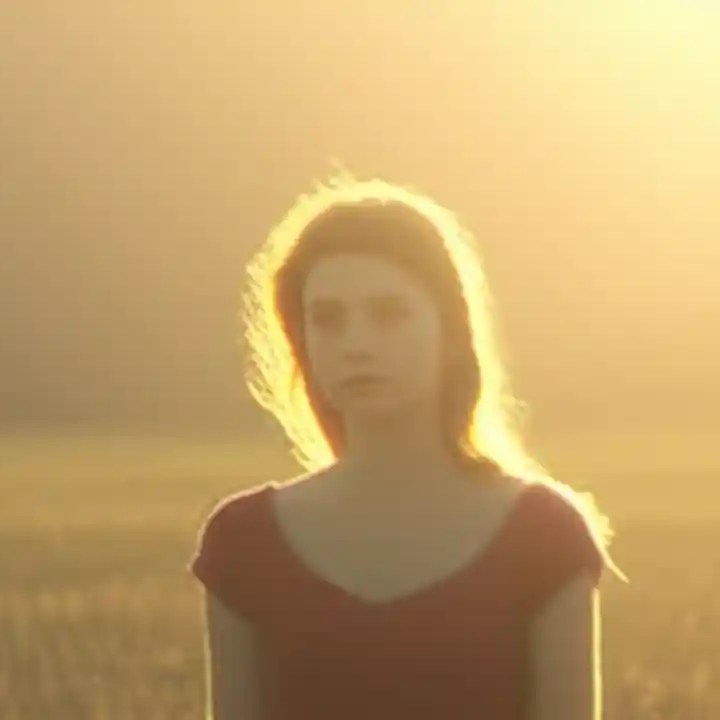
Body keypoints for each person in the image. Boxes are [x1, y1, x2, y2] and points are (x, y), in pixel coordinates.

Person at [188, 170, 627, 720]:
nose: (357, 343)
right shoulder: (246, 541)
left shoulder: (542, 535)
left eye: (389, 313)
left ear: (451, 333)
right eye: (328, 320)